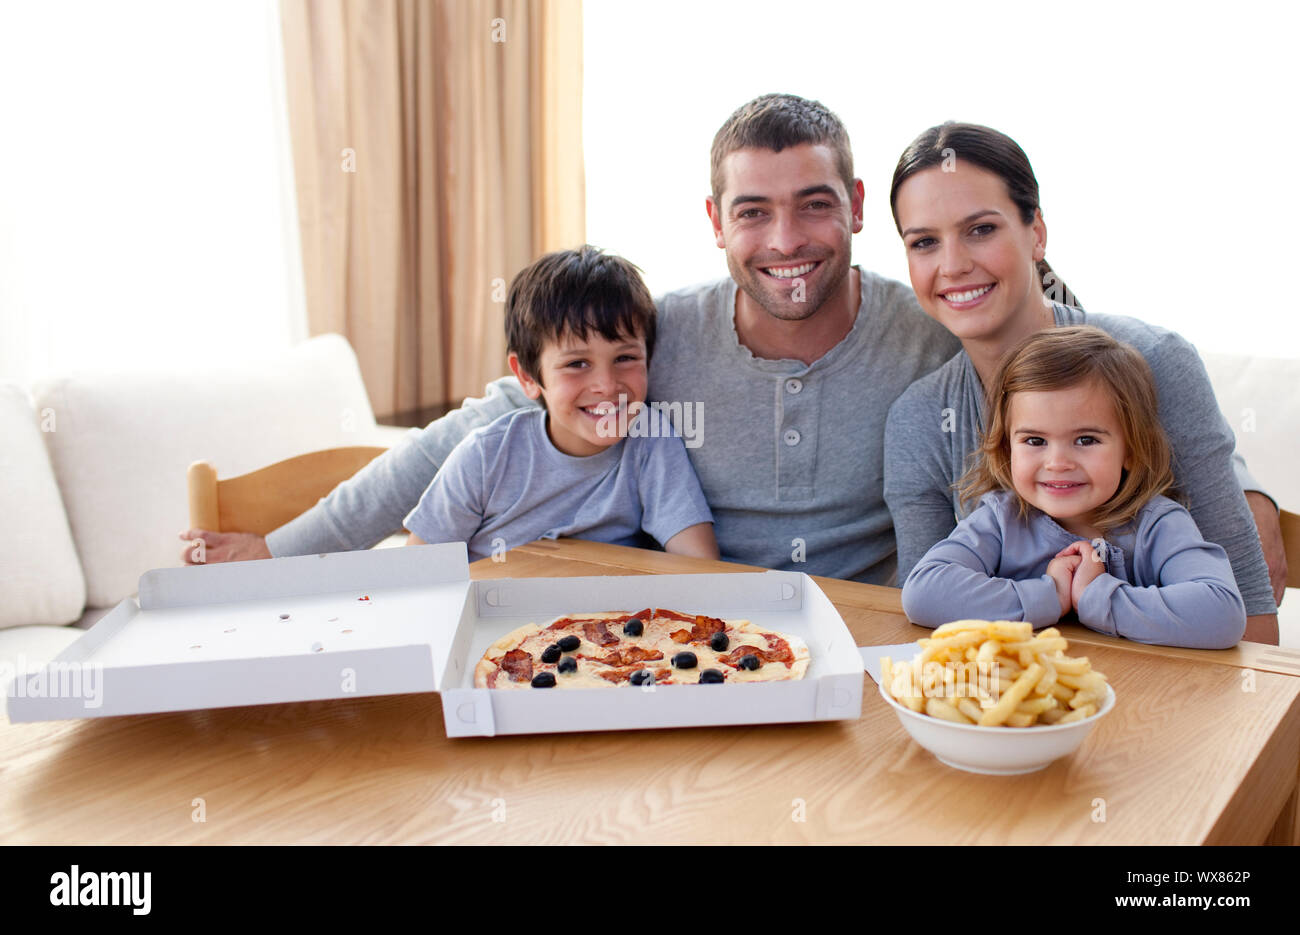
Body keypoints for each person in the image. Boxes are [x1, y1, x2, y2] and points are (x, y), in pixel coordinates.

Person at [180, 93, 961, 583]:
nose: (785, 239)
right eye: (753, 211)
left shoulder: (932, 335)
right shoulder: (656, 335)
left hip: (861, 646)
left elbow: (1059, 348)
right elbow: (460, 437)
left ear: (858, 206)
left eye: (814, 204)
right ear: (717, 223)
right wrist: (280, 554)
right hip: (681, 645)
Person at [883, 122, 1282, 643]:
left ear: (1037, 233)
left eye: (981, 229)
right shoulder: (919, 420)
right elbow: (929, 624)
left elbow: (1250, 623)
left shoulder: (1155, 361)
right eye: (925, 242)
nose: (953, 264)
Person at [901, 326, 1246, 649]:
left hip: (1138, 701)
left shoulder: (1158, 524)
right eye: (1035, 440)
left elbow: (1223, 613)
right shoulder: (1000, 519)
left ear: (1130, 449)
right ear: (1007, 449)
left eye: (1085, 439)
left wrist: (1095, 597)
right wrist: (1050, 595)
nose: (1058, 462)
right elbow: (923, 594)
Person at [403, 246, 717, 561]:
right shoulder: (485, 457)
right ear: (526, 376)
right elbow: (418, 573)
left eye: (625, 358)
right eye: (577, 364)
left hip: (603, 609)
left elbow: (702, 565)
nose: (606, 386)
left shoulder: (650, 440)